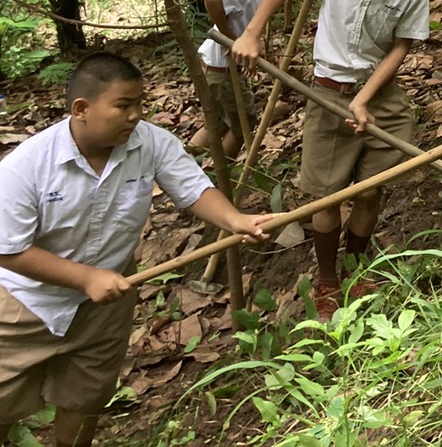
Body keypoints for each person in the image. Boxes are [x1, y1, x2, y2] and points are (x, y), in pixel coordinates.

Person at [0, 53, 273, 447]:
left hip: (105, 302)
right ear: (81, 109)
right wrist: (85, 278)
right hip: (23, 303)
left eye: (140, 104)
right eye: (123, 105)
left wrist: (235, 220)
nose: (135, 116)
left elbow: (193, 187)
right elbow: (8, 250)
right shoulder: (26, 166)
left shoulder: (151, 143)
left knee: (85, 396)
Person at [231, 0, 429, 316]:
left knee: (369, 192)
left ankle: (356, 270)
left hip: (379, 93)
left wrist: (364, 99)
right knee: (327, 197)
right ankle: (327, 281)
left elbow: (400, 47)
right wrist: (252, 32)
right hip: (327, 93)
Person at [190, 0, 292, 157]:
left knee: (216, 123)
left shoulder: (257, 2)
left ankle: (185, 165)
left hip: (216, 68)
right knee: (242, 123)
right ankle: (220, 171)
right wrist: (231, 39)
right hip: (221, 72)